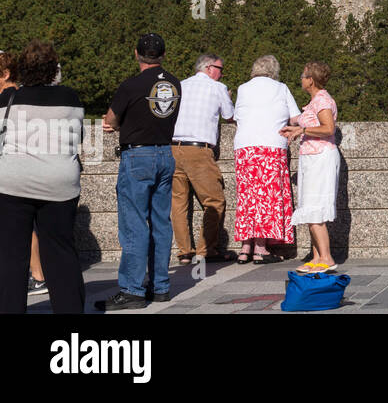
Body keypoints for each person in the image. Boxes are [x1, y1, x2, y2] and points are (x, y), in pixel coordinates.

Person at [0, 42, 85, 314]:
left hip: (13, 183)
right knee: (61, 252)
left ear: (21, 69)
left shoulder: (7, 99)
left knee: (12, 255)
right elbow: (78, 139)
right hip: (60, 184)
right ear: (53, 70)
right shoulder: (71, 98)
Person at [99, 33, 182, 310]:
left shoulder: (131, 86)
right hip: (165, 153)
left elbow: (111, 119)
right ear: (163, 55)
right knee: (161, 222)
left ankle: (132, 289)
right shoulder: (175, 84)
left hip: (138, 155)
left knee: (134, 223)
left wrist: (118, 124)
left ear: (136, 54)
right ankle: (160, 286)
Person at [232, 55, 300, 264]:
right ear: (274, 71)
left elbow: (237, 116)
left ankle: (245, 248)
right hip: (271, 146)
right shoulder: (281, 88)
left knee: (248, 197)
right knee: (267, 197)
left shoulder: (243, 88)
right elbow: (295, 118)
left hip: (245, 148)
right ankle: (261, 249)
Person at [171, 53, 236, 265]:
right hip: (199, 151)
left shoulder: (179, 86)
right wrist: (227, 95)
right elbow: (230, 115)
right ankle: (205, 250)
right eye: (220, 68)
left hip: (173, 148)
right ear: (209, 68)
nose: (222, 72)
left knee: (179, 203)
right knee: (214, 201)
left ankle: (184, 252)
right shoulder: (217, 88)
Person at [283, 62, 339, 273]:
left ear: (311, 80)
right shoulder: (315, 101)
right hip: (311, 157)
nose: (301, 79)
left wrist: (302, 130)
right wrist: (297, 129)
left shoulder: (323, 100)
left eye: (303, 75)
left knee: (315, 208)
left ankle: (327, 257)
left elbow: (328, 128)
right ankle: (316, 258)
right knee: (309, 207)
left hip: (320, 157)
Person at [0, 52, 47, 299]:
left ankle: (38, 276)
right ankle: (37, 276)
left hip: (12, 172)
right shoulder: (21, 97)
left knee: (21, 227)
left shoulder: (8, 98)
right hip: (22, 170)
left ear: (6, 74)